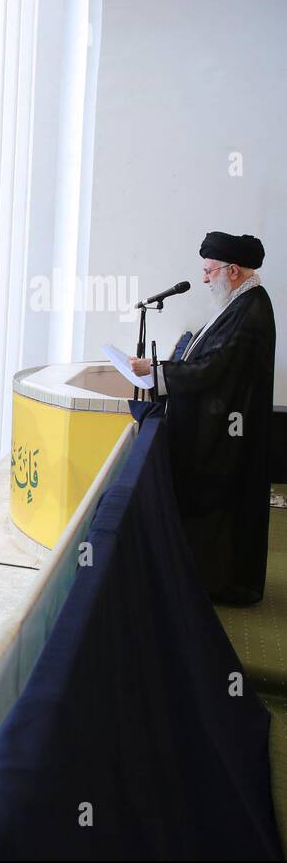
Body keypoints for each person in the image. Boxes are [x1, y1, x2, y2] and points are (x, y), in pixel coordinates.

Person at [130, 231, 274, 605]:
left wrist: (158, 372)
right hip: (223, 425)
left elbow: (213, 368)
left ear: (234, 270)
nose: (206, 278)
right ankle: (205, 581)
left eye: (210, 271)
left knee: (218, 510)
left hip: (228, 432)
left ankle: (215, 586)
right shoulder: (240, 303)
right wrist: (161, 369)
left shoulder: (251, 310)